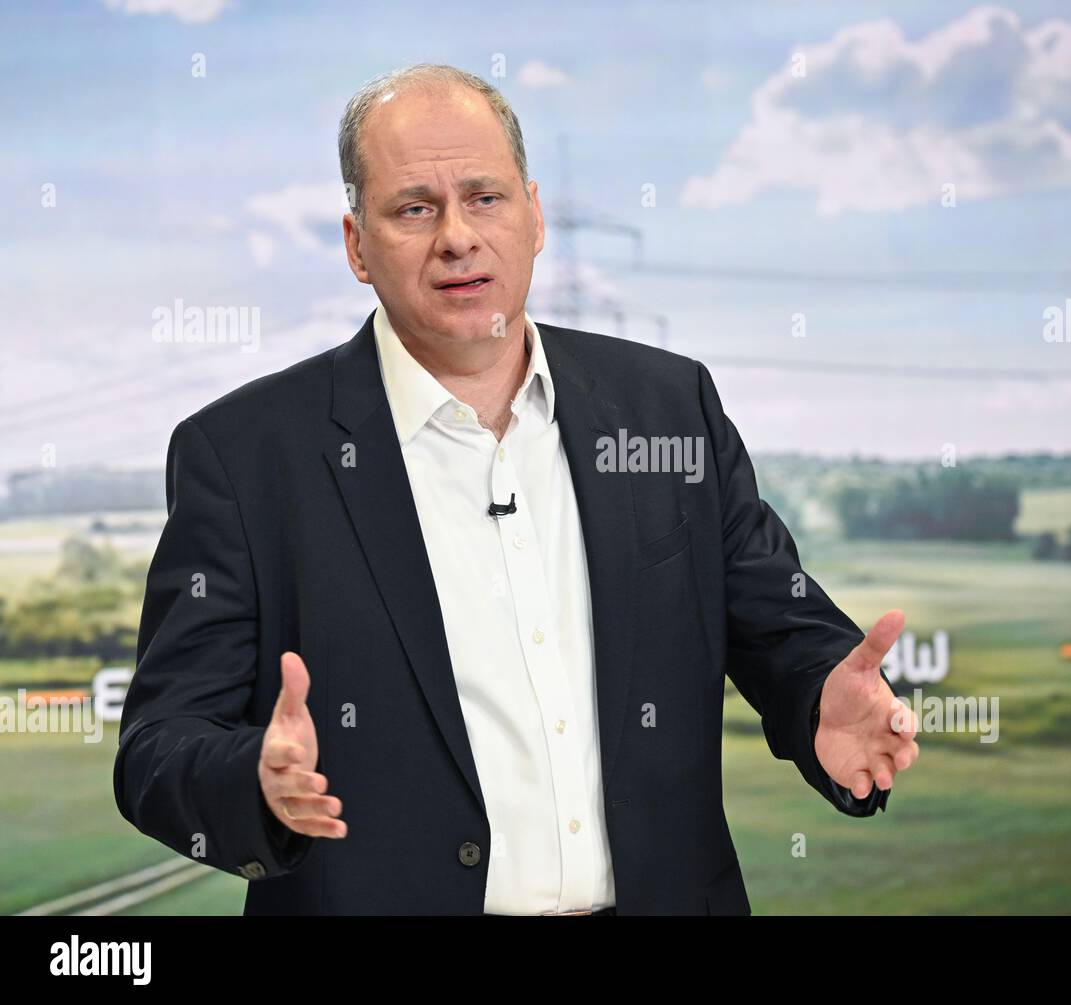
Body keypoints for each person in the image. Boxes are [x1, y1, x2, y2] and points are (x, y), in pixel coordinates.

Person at [113, 63, 919, 916]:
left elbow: (776, 626)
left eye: (486, 198)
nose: (457, 236)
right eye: (414, 207)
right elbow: (158, 749)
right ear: (356, 244)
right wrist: (257, 784)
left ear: (535, 216)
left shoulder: (664, 406)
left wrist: (820, 694)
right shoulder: (244, 455)